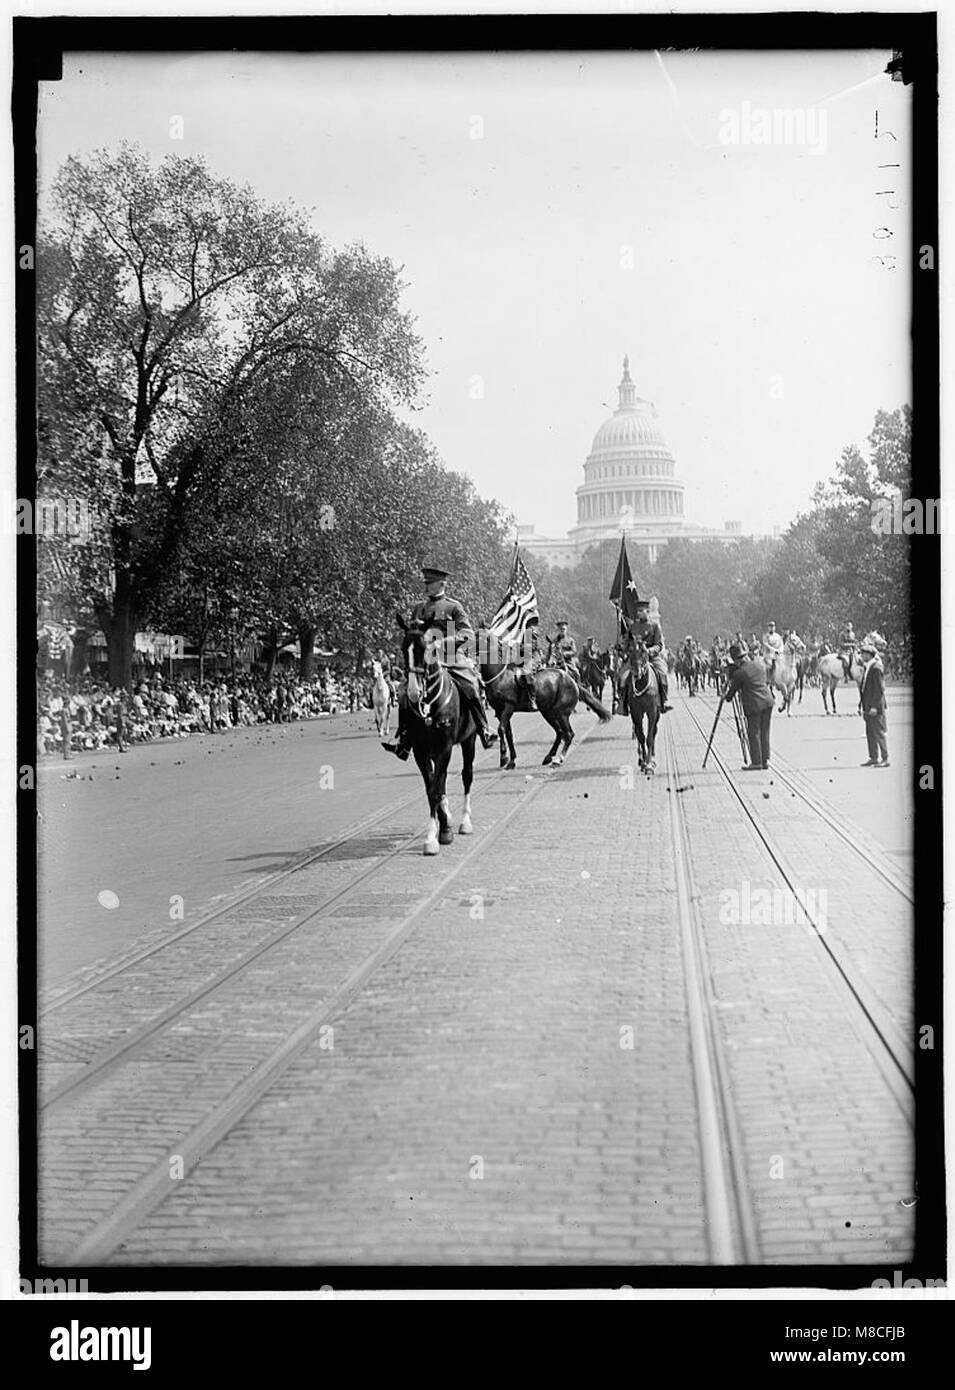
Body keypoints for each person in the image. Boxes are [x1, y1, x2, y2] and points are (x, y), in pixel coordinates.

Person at [383, 565, 498, 759]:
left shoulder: (453, 607)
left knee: (471, 684)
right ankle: (404, 740)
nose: (426, 586)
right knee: (403, 692)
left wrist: (442, 643)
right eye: (426, 583)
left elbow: (467, 634)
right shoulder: (419, 608)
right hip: (424, 662)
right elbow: (412, 633)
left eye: (430, 583)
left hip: (451, 658)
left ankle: (484, 728)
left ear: (442, 584)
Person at [722, 641, 775, 771]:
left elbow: (729, 696)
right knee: (764, 731)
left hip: (754, 704)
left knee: (753, 732)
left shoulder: (740, 673)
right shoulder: (759, 664)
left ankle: (756, 762)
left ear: (736, 660)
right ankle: (765, 760)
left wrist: (725, 694)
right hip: (768, 701)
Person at [618, 594, 672, 715]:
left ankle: (663, 701)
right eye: (638, 611)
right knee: (622, 676)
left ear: (647, 611)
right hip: (636, 658)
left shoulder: (654, 626)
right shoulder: (632, 627)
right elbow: (627, 642)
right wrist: (622, 648)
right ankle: (622, 703)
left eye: (641, 611)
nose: (639, 613)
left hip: (651, 657)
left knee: (662, 673)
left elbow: (659, 644)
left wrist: (650, 651)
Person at [859, 639, 889, 767]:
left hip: (874, 707)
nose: (861, 656)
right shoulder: (868, 667)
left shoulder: (876, 668)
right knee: (870, 733)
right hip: (868, 706)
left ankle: (885, 758)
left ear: (869, 655)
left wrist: (874, 707)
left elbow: (879, 689)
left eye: (863, 654)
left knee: (878, 733)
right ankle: (873, 757)